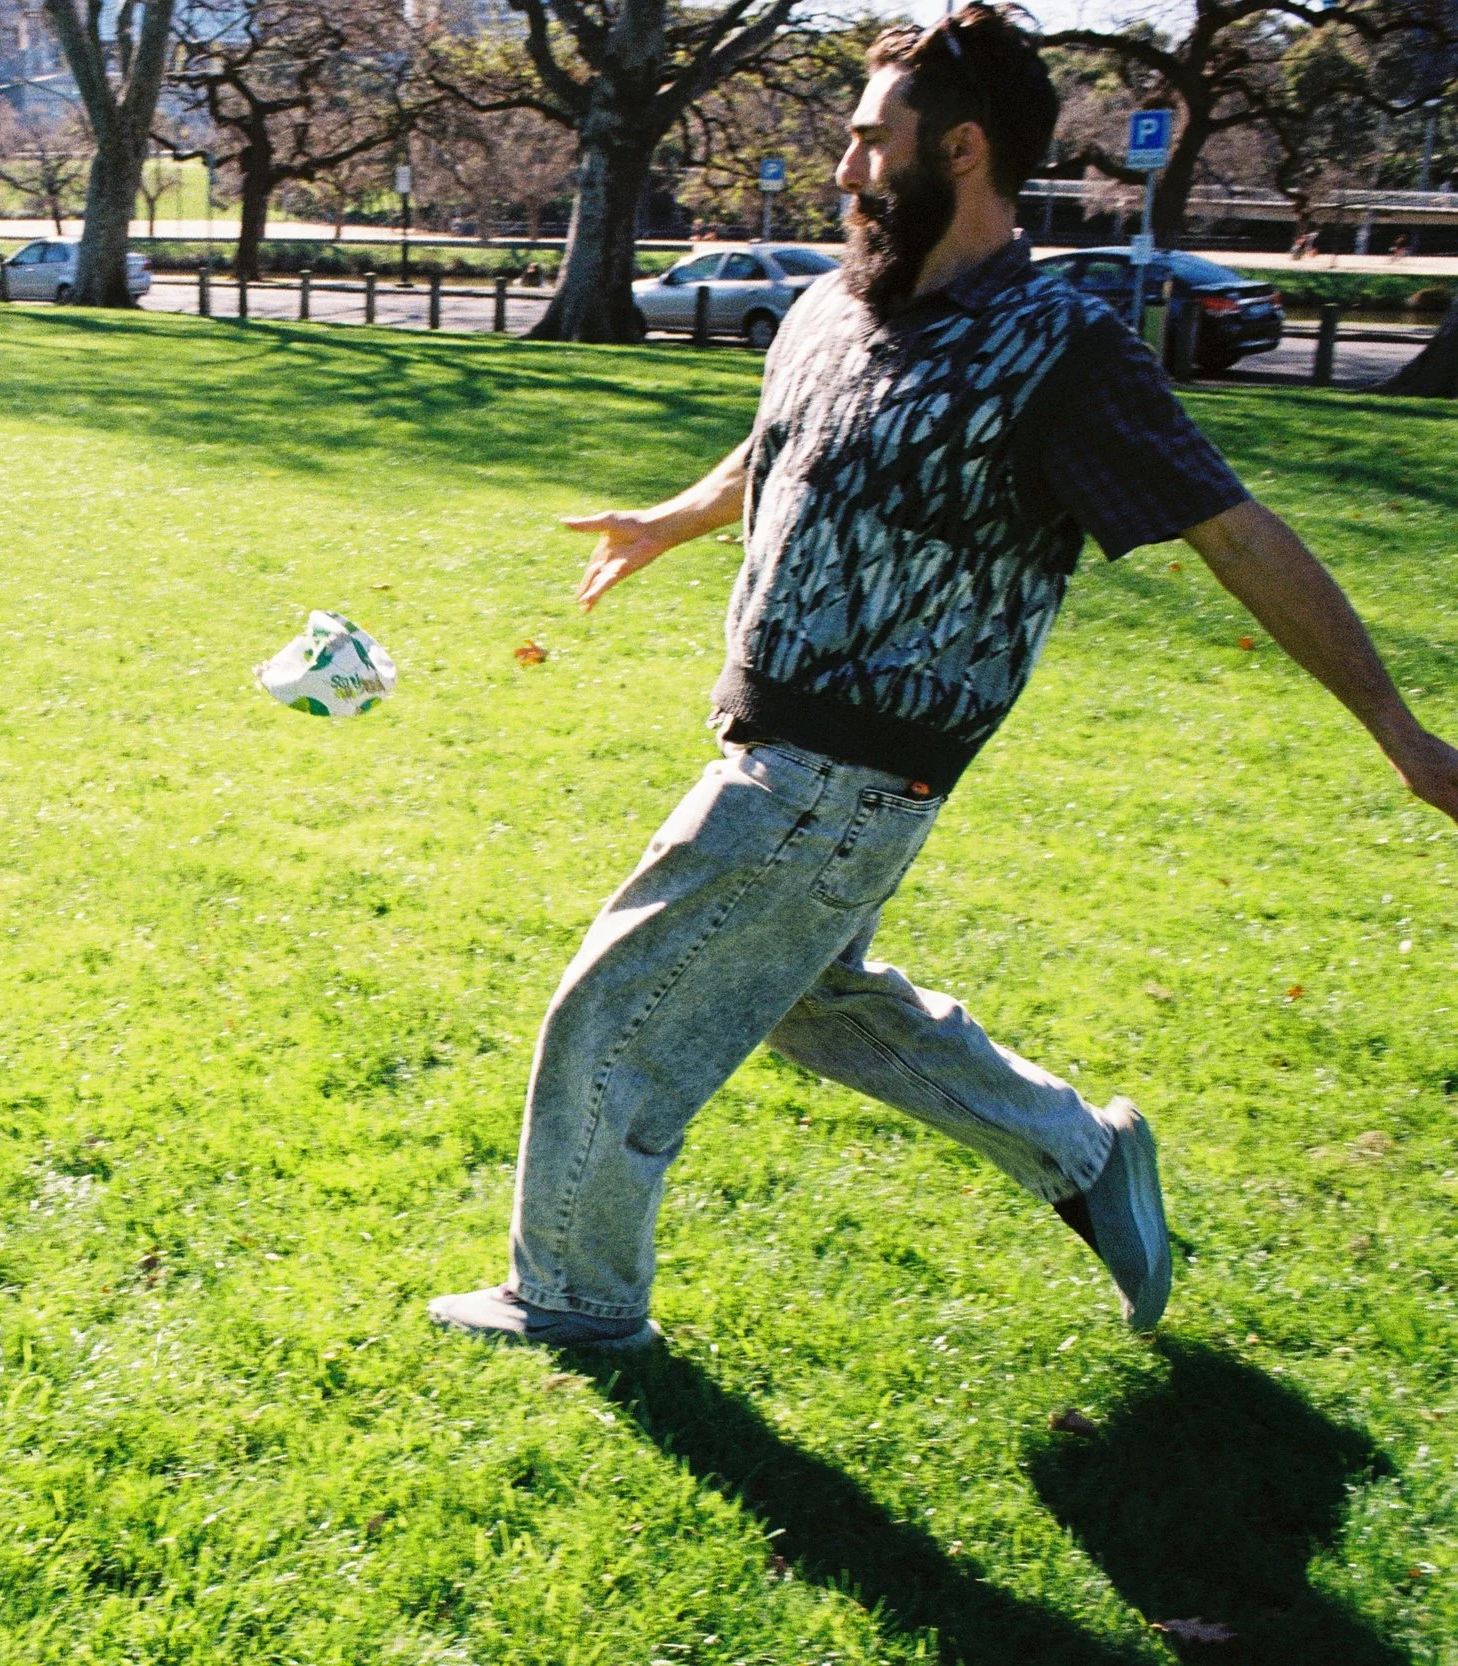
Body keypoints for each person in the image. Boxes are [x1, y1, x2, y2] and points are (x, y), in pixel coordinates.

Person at [429, 3, 1458, 1354]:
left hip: (848, 769)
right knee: (805, 997)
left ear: (962, 148)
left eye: (871, 141)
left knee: (619, 1003)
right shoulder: (829, 307)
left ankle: (572, 1298)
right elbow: (783, 448)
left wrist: (1397, 727)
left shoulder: (1060, 351)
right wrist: (674, 519)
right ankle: (1085, 1158)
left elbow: (1235, 530)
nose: (845, 165)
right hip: (777, 737)